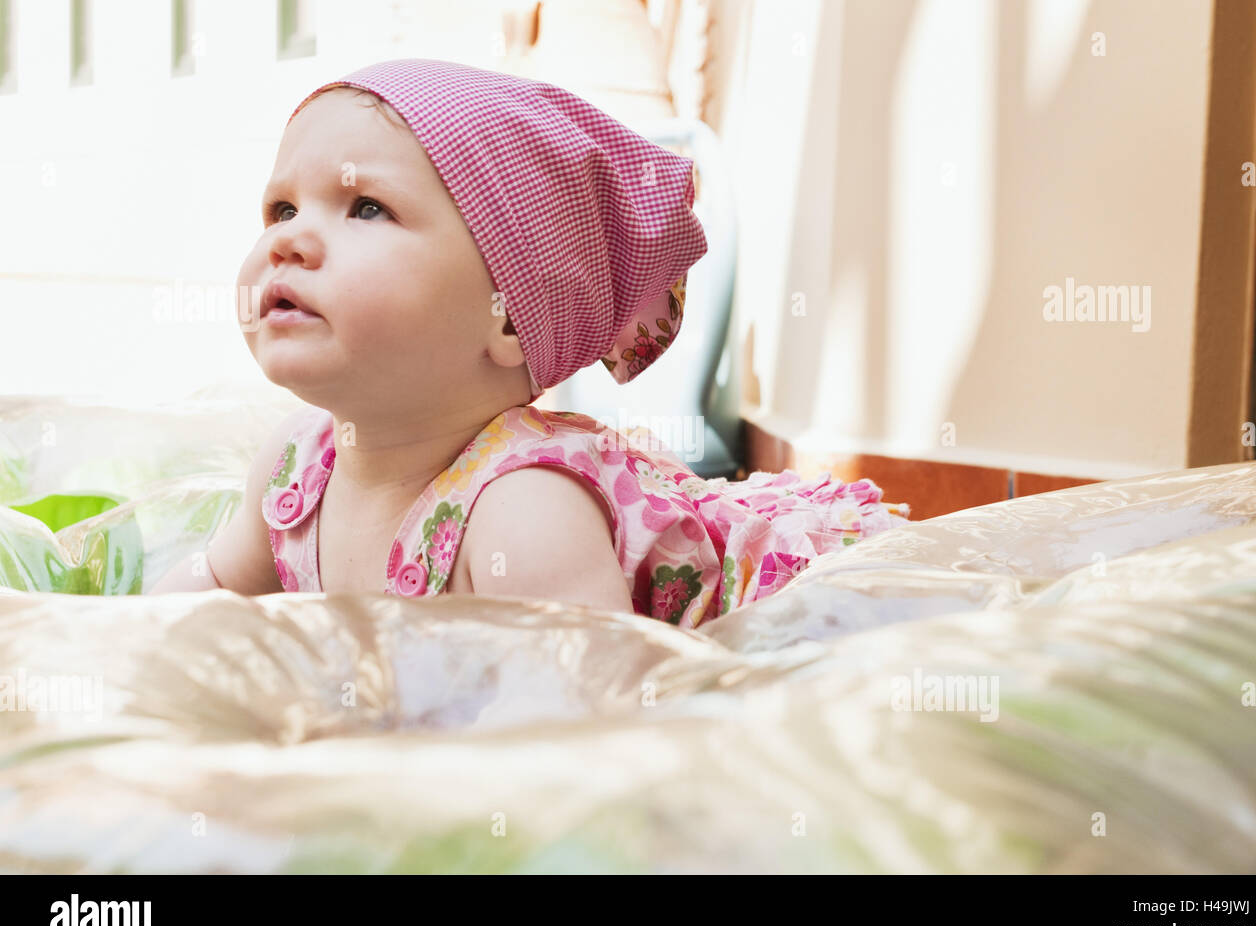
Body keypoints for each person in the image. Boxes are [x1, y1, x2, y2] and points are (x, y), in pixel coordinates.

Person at [149, 59, 909, 627]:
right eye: (281, 207)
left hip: (815, 609)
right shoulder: (295, 469)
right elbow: (210, 591)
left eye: (367, 208)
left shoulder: (525, 509)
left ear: (509, 317)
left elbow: (586, 722)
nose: (289, 241)